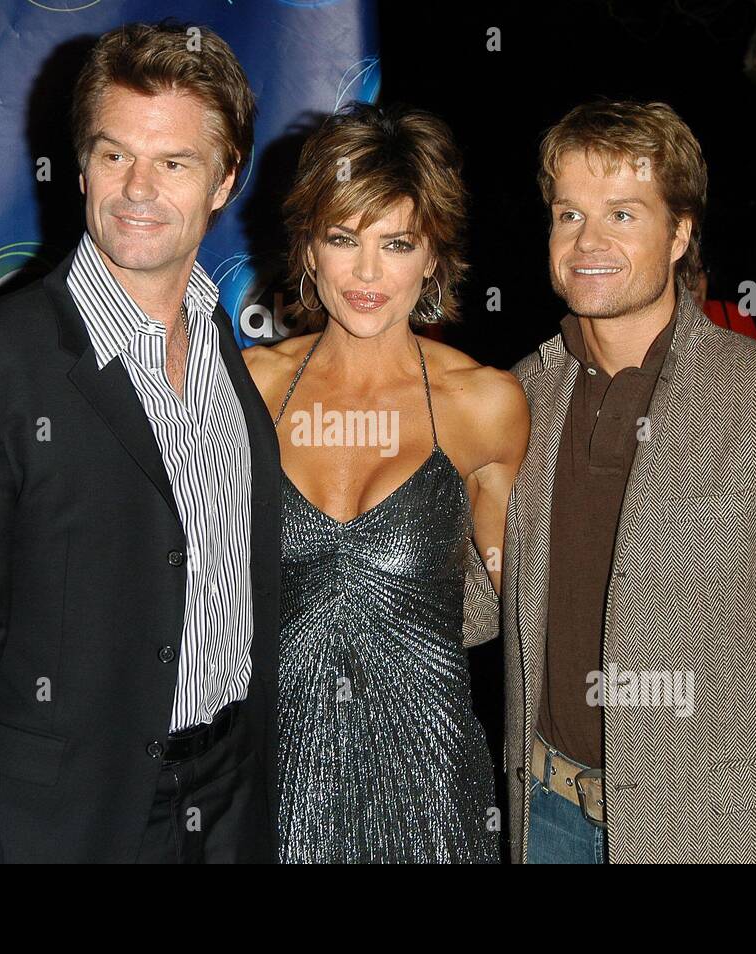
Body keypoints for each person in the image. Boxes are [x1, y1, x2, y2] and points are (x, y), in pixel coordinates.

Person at [0, 21, 280, 863]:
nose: (138, 189)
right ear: (80, 167)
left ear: (225, 178)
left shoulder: (224, 348)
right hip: (69, 826)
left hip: (230, 803)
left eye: (173, 162)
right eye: (113, 156)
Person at [475, 99, 756, 863]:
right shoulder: (521, 397)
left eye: (623, 215)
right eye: (568, 215)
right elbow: (479, 597)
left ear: (681, 232)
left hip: (709, 834)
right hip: (545, 813)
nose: (587, 241)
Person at [242, 102, 529, 863]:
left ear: (433, 257)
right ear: (308, 247)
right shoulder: (247, 389)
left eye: (397, 243)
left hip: (434, 787)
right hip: (273, 781)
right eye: (343, 239)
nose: (368, 274)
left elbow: (518, 607)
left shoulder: (484, 405)